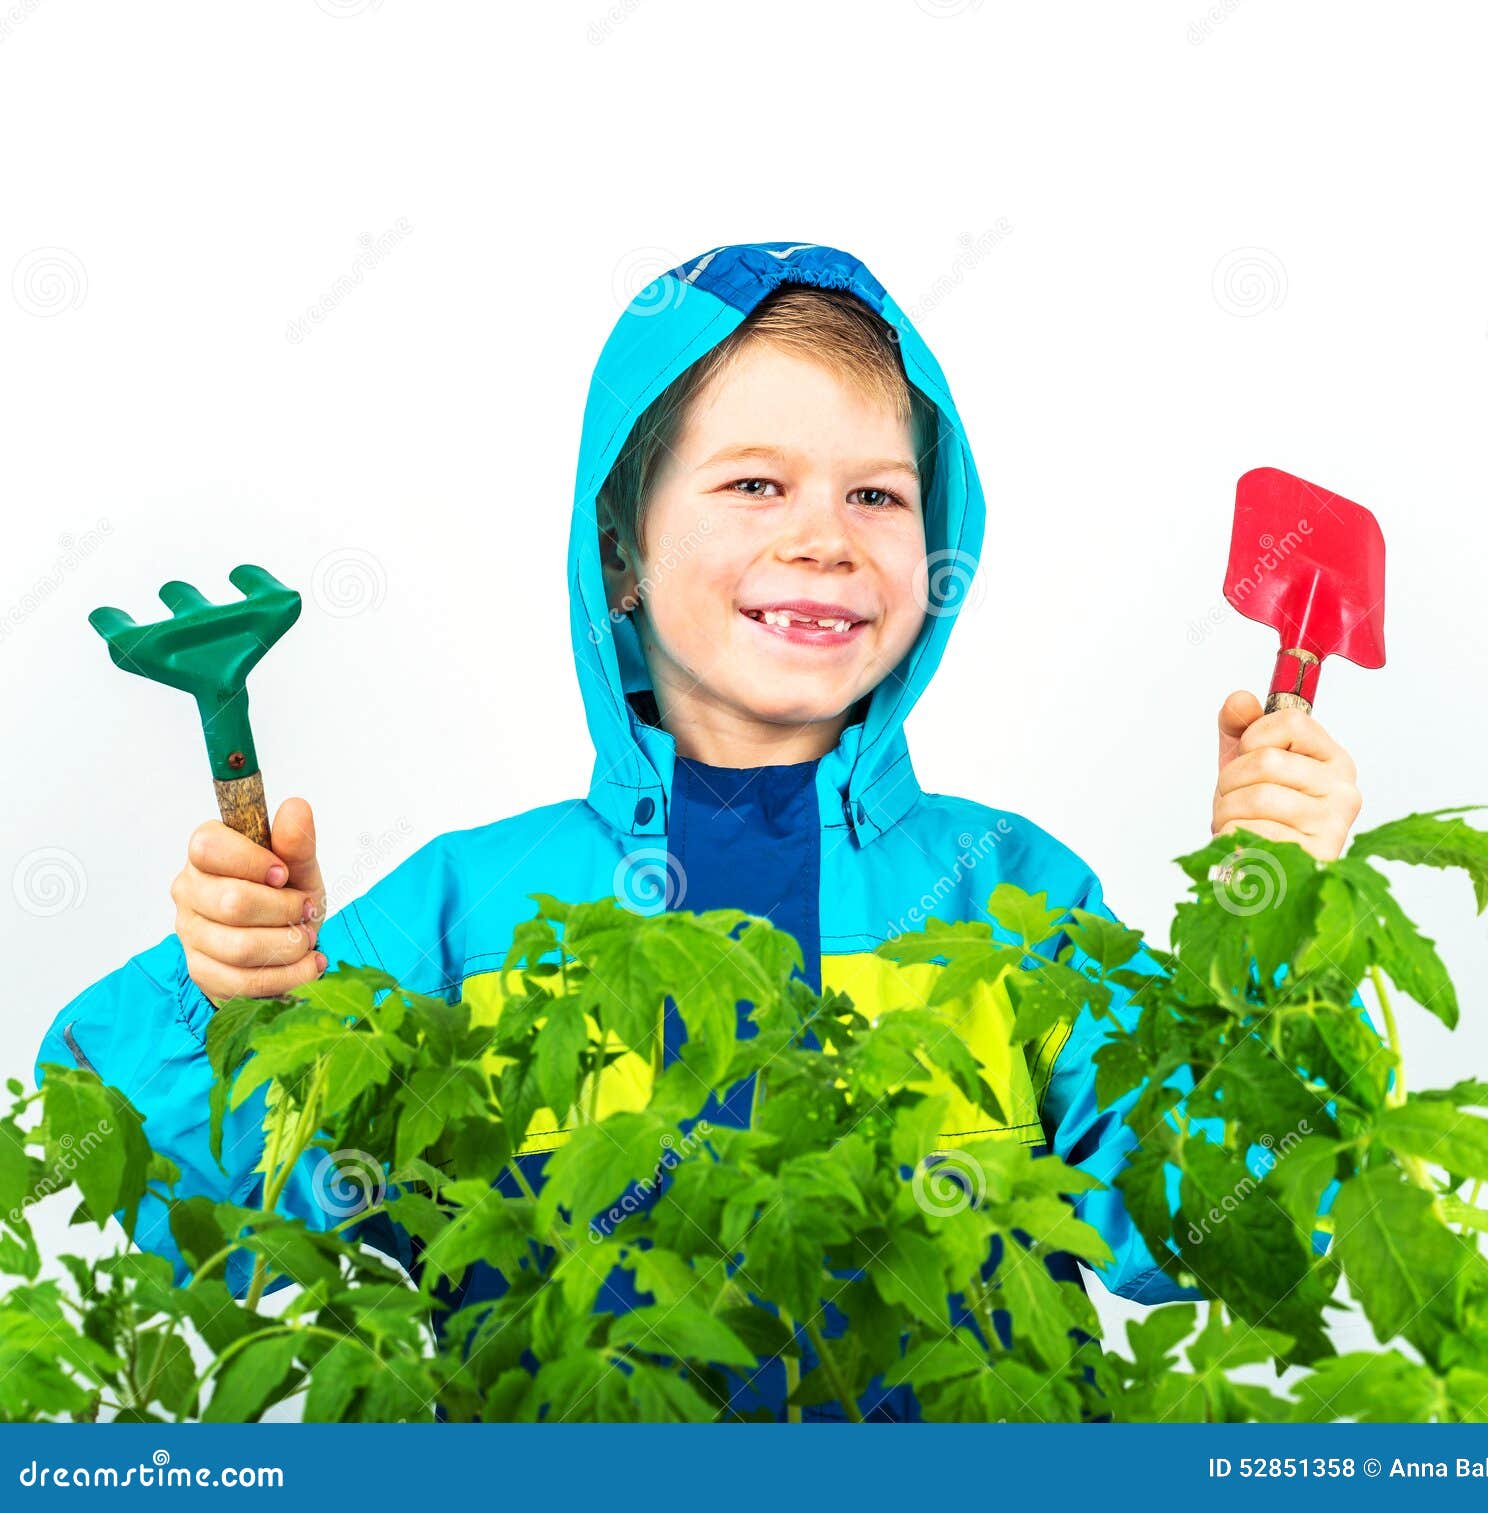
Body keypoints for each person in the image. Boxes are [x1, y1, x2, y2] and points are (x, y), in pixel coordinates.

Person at [35, 240, 1362, 1420]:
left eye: (878, 497)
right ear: (619, 550)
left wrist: (1277, 923)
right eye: (754, 485)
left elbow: (1220, 1227)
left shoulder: (1012, 895)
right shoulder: (469, 909)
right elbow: (174, 1173)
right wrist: (245, 991)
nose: (826, 540)